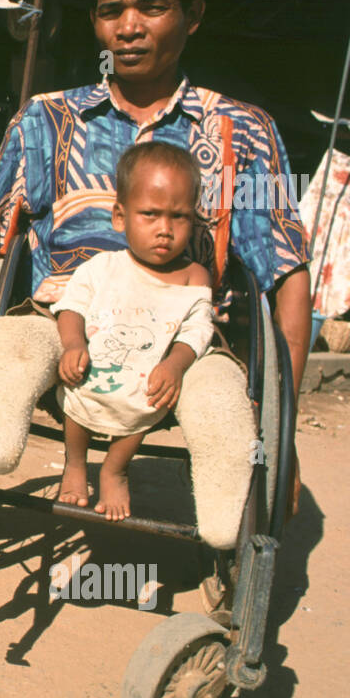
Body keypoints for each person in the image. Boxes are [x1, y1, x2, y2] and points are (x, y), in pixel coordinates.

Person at [0, 0, 313, 545]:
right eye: (111, 10)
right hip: (60, 323)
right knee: (5, 362)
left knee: (224, 424)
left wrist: (283, 432)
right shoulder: (46, 120)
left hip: (184, 346)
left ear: (193, 13)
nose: (128, 27)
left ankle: (226, 542)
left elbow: (285, 272)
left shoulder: (241, 133)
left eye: (152, 6)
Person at [54, 142, 214, 520]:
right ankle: (75, 463)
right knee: (76, 397)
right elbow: (71, 306)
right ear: (120, 217)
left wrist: (175, 364)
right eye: (150, 215)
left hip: (146, 376)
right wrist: (73, 343)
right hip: (94, 365)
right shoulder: (102, 267)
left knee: (147, 406)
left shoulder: (193, 277)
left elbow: (198, 329)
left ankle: (114, 468)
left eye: (180, 217)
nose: (165, 230)